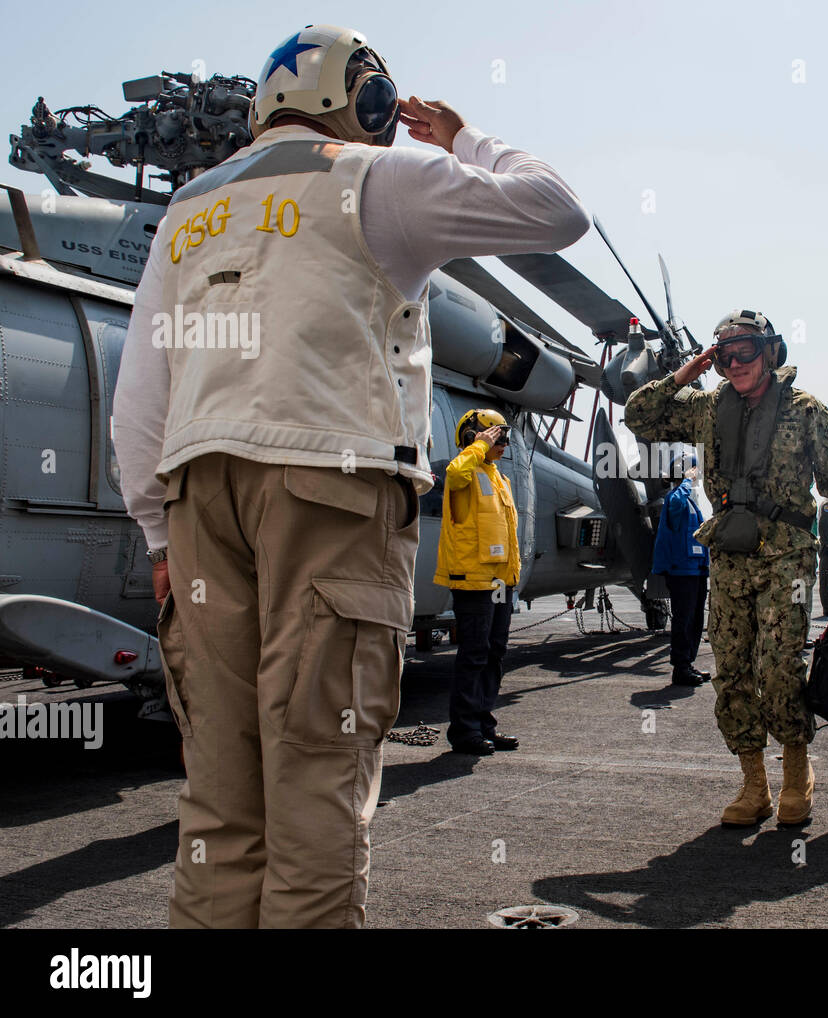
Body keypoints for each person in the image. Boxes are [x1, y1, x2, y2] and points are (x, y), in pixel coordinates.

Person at [113, 24, 589, 927]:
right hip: (330, 496)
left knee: (218, 807)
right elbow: (557, 210)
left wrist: (158, 536)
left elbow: (139, 403)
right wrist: (462, 139)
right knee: (317, 795)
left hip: (199, 507)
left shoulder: (186, 212)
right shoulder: (374, 178)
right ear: (366, 101)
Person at [625, 309, 828, 827]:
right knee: (731, 672)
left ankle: (796, 773)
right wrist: (687, 372)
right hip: (730, 557)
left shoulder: (806, 411)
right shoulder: (709, 409)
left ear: (771, 351)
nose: (734, 364)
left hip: (787, 556)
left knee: (778, 670)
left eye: (745, 352)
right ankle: (754, 784)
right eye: (725, 356)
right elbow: (639, 415)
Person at [435, 410, 522, 754]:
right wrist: (476, 447)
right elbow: (453, 474)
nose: (502, 445)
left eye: (504, 438)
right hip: (473, 581)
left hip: (500, 582)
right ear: (474, 436)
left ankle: (485, 723)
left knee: (494, 653)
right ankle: (464, 730)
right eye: (496, 437)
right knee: (474, 655)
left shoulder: (498, 477)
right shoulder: (464, 468)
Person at [651, 452, 711, 687]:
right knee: (684, 619)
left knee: (695, 619)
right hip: (681, 571)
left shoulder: (690, 502)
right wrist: (686, 479)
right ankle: (680, 668)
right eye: (694, 471)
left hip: (695, 570)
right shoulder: (674, 498)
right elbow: (675, 503)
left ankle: (688, 663)